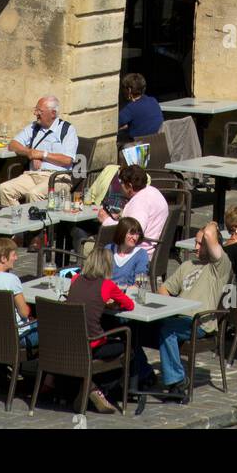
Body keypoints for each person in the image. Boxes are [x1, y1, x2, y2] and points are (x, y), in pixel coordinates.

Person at [155, 219, 231, 398]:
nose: (195, 247)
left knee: (167, 330)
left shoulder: (219, 266)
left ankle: (178, 382)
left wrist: (213, 223)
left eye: (200, 243)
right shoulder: (187, 265)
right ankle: (142, 375)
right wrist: (169, 307)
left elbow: (211, 234)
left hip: (199, 322)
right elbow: (164, 288)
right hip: (177, 318)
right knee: (139, 328)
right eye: (195, 242)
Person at [66, 240, 136, 412]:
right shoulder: (107, 285)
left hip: (71, 341)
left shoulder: (75, 279)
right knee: (129, 348)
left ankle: (87, 388)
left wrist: (102, 303)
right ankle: (101, 390)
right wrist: (109, 303)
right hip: (91, 343)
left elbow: (86, 300)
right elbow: (129, 305)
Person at [0, 95, 79, 206]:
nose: (35, 113)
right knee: (4, 189)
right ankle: (19, 219)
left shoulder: (67, 130)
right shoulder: (34, 127)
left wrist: (42, 155)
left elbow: (67, 160)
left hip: (58, 178)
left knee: (34, 194)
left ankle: (37, 221)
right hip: (33, 175)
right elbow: (13, 144)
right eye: (35, 109)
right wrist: (30, 153)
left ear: (53, 113)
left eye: (39, 111)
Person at [0, 236, 38, 352]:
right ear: (3, 258)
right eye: (14, 255)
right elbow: (24, 313)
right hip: (16, 336)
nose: (16, 258)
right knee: (51, 328)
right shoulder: (11, 280)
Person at [97, 165, 168, 259]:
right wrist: (120, 218)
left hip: (137, 253)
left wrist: (106, 220)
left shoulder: (140, 203)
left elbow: (131, 231)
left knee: (86, 243)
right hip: (153, 248)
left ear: (129, 186)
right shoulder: (153, 192)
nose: (120, 186)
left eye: (121, 183)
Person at [117, 73, 164, 144]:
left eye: (123, 87)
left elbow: (114, 125)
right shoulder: (153, 100)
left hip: (140, 150)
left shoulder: (131, 108)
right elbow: (144, 122)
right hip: (159, 146)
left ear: (129, 90)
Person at [109, 217, 152, 288]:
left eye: (137, 234)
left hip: (126, 294)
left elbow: (141, 283)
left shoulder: (141, 254)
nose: (135, 238)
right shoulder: (109, 249)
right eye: (131, 233)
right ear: (121, 232)